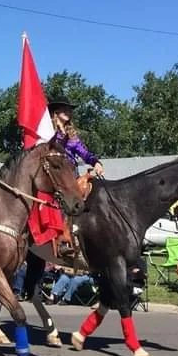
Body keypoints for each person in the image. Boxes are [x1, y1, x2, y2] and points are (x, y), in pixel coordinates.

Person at [47, 99, 104, 258]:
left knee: (92, 190)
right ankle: (63, 240)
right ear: (55, 112)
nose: (68, 112)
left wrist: (95, 162)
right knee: (63, 201)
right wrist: (59, 134)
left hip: (73, 175)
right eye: (64, 110)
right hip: (56, 177)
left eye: (69, 110)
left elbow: (84, 153)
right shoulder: (49, 133)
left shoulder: (72, 136)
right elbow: (50, 149)